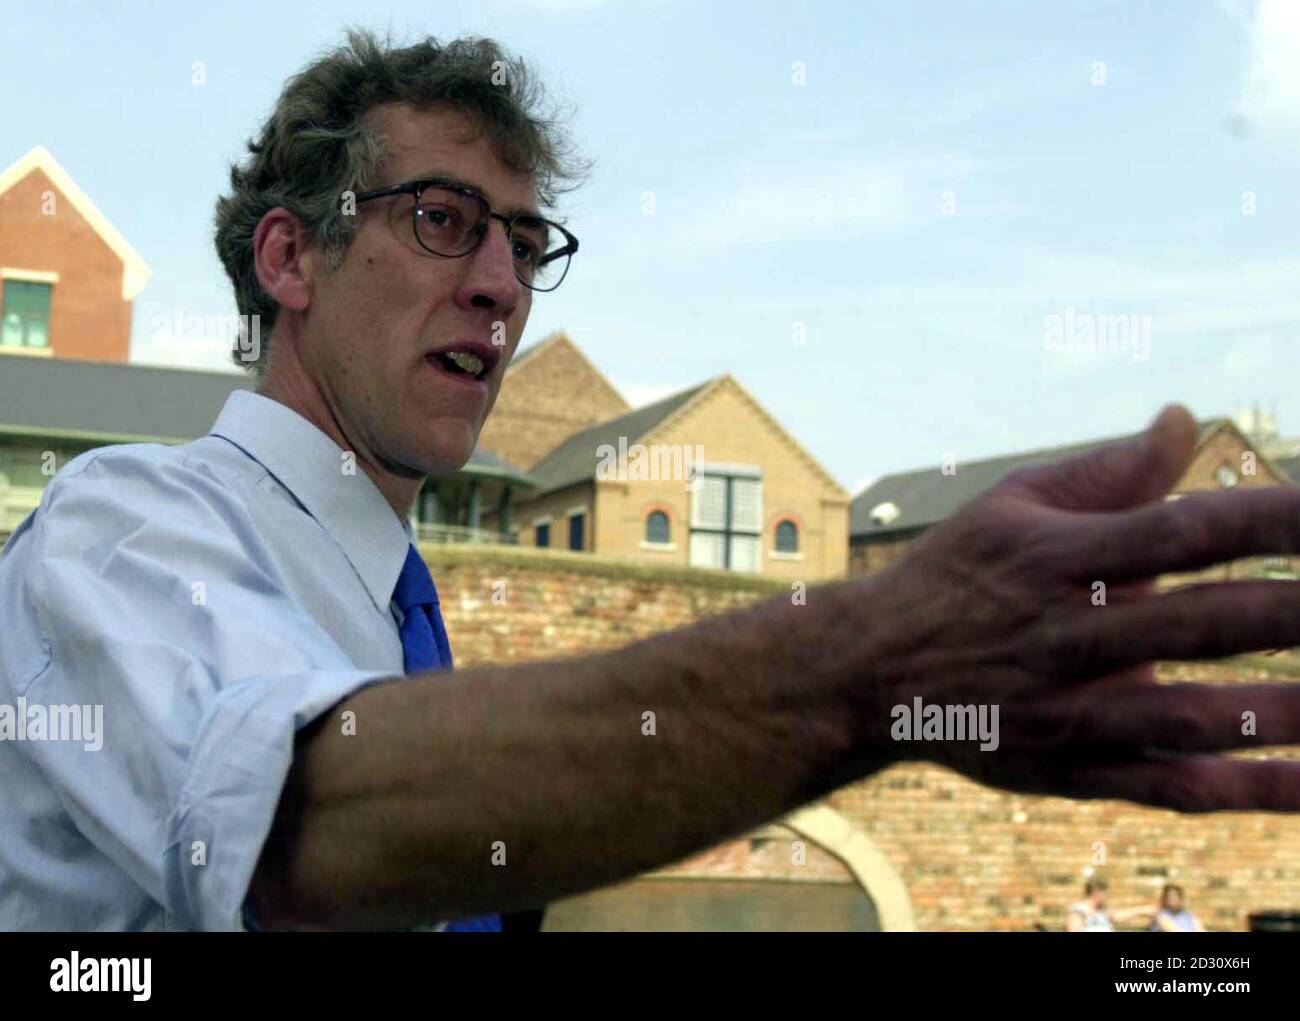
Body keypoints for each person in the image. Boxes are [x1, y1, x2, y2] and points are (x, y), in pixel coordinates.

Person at [2, 29, 1300, 932]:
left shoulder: (387, 598)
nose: (502, 284)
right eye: (442, 219)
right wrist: (883, 664)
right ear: (291, 256)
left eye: (525, 242)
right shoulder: (124, 529)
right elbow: (301, 829)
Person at [1066, 879, 1153, 932]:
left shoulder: (1101, 911)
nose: (1106, 897)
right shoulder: (1078, 911)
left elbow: (1118, 916)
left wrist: (1143, 910)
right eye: (1104, 894)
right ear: (1097, 893)